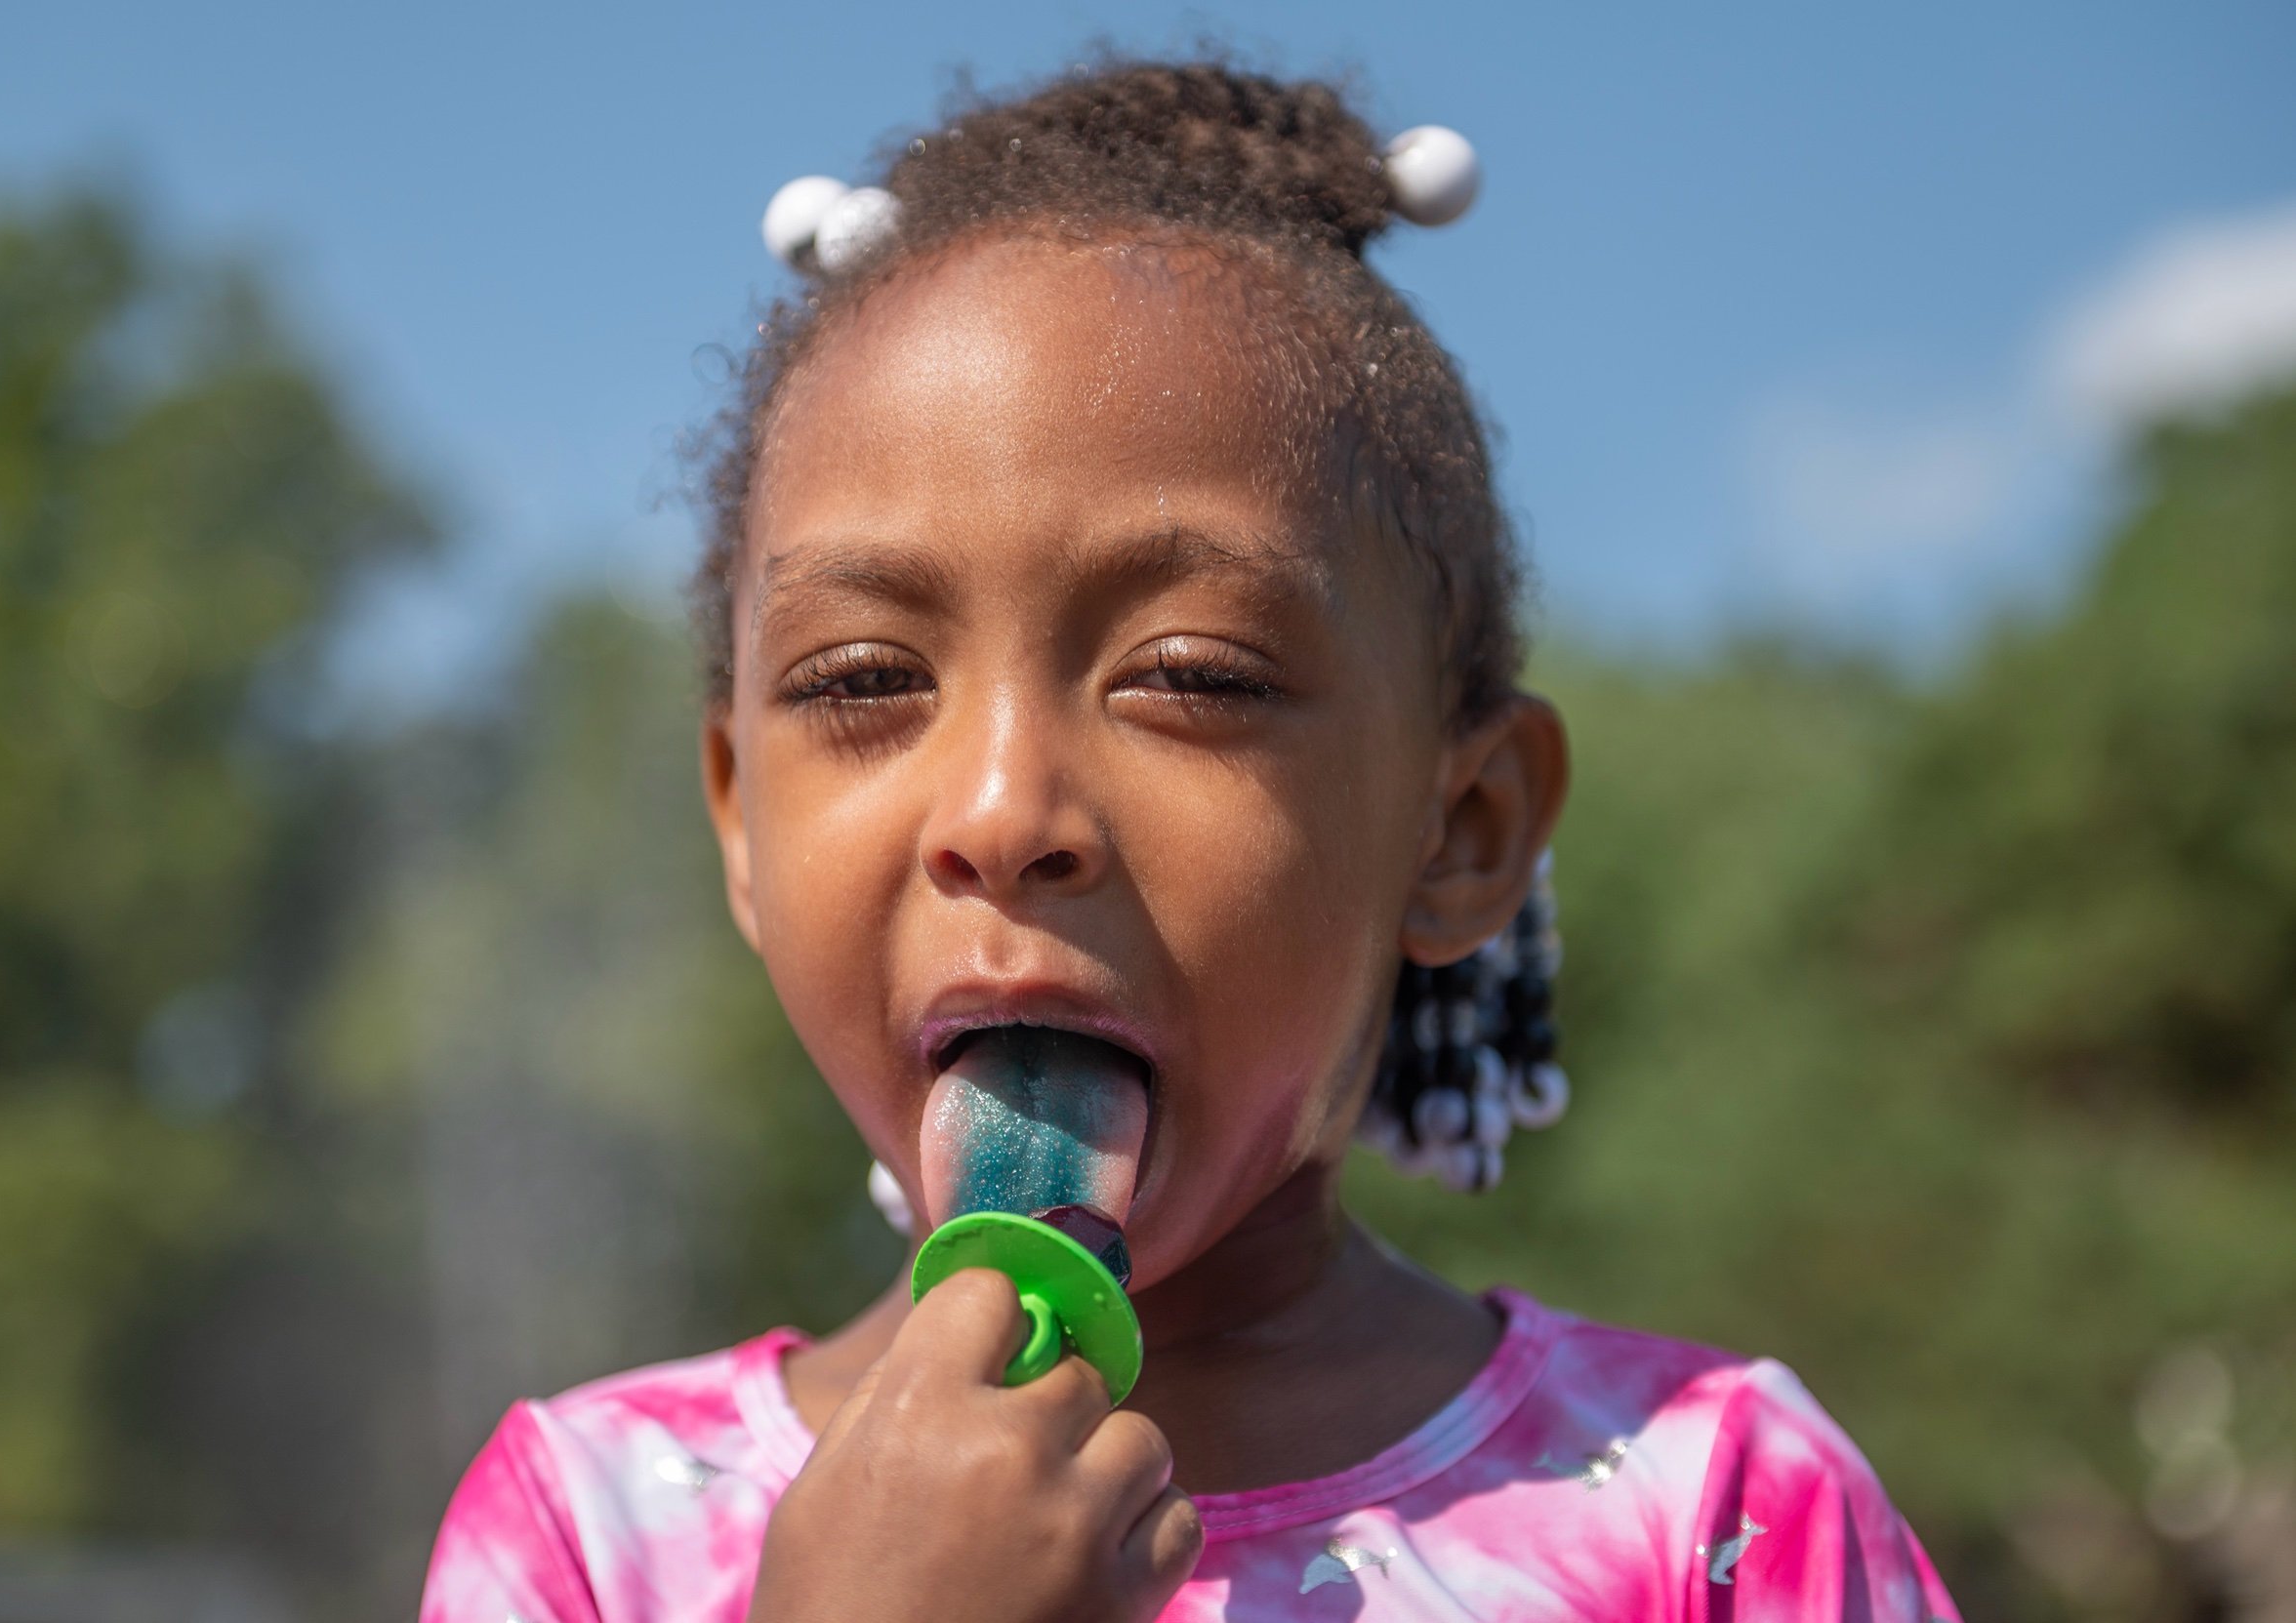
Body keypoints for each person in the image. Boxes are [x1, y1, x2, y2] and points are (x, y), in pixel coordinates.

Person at [420, 59, 1963, 1623]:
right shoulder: (586, 1534)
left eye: (1193, 678)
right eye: (868, 680)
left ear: (1462, 828)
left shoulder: (1720, 1508)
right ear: (742, 824)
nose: (1005, 814)